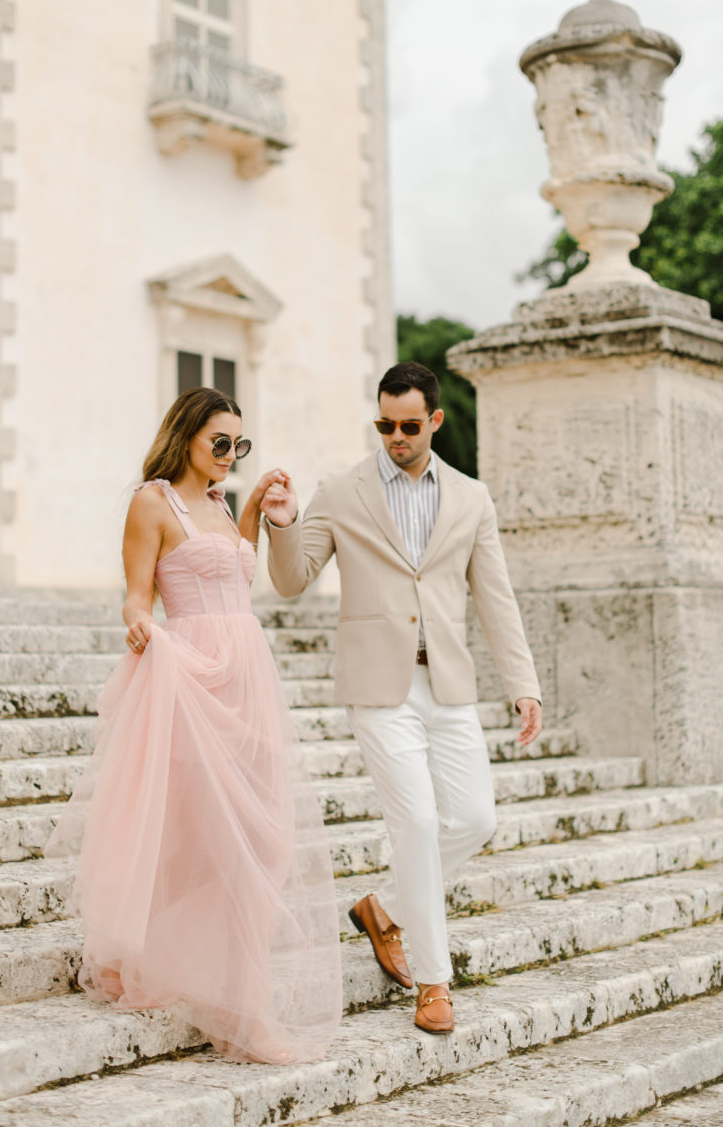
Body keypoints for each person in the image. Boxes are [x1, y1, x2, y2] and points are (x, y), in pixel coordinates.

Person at [46, 387, 342, 1064]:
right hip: (190, 676)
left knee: (261, 836)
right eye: (220, 442)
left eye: (239, 445)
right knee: (205, 837)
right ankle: (242, 1006)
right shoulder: (153, 500)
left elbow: (234, 572)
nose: (229, 456)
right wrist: (138, 624)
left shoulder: (219, 505)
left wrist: (262, 508)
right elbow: (137, 590)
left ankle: (227, 981)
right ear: (186, 435)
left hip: (248, 679)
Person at [262, 361, 542, 1035]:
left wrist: (523, 684)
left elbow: (494, 597)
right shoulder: (341, 490)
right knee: (415, 823)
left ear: (435, 422)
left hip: (449, 686)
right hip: (379, 689)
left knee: (475, 820)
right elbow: (293, 580)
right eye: (384, 424)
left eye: (408, 425)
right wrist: (284, 523)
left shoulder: (472, 498)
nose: (394, 436)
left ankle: (381, 909)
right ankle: (433, 983)